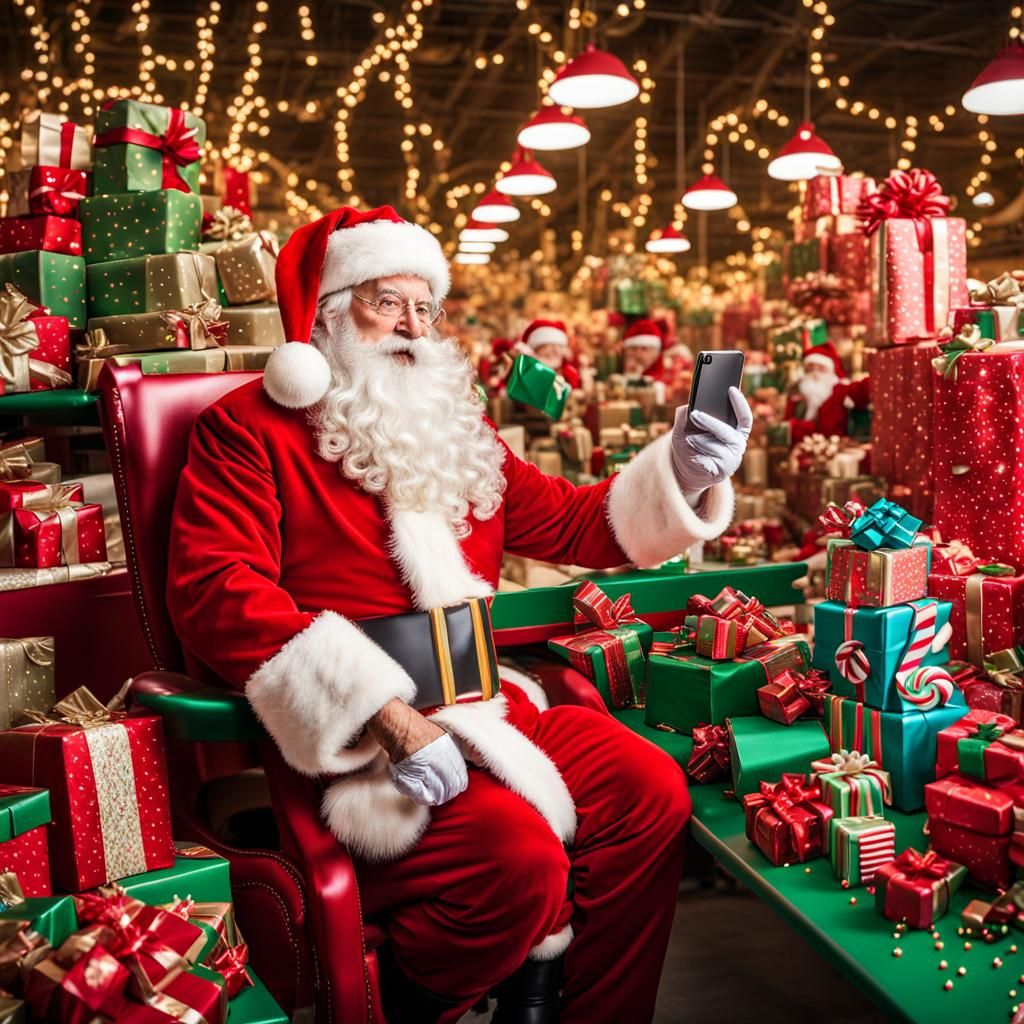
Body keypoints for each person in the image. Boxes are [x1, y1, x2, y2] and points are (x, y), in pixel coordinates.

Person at [166, 206, 751, 1024]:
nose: (413, 327)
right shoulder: (246, 430)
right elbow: (217, 592)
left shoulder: (454, 430)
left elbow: (573, 521)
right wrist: (386, 715)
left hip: (486, 706)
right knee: (516, 863)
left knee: (649, 789)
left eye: (426, 306)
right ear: (327, 313)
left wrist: (686, 471)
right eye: (386, 302)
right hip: (360, 748)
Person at [783, 341, 870, 444]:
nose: (815, 373)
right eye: (811, 368)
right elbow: (788, 424)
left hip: (837, 446)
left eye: (821, 368)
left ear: (830, 370)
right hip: (804, 447)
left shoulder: (840, 390)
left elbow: (864, 389)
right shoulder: (797, 392)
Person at [516, 318, 581, 389]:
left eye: (559, 346)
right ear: (539, 347)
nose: (556, 350)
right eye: (551, 346)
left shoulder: (566, 371)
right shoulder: (526, 367)